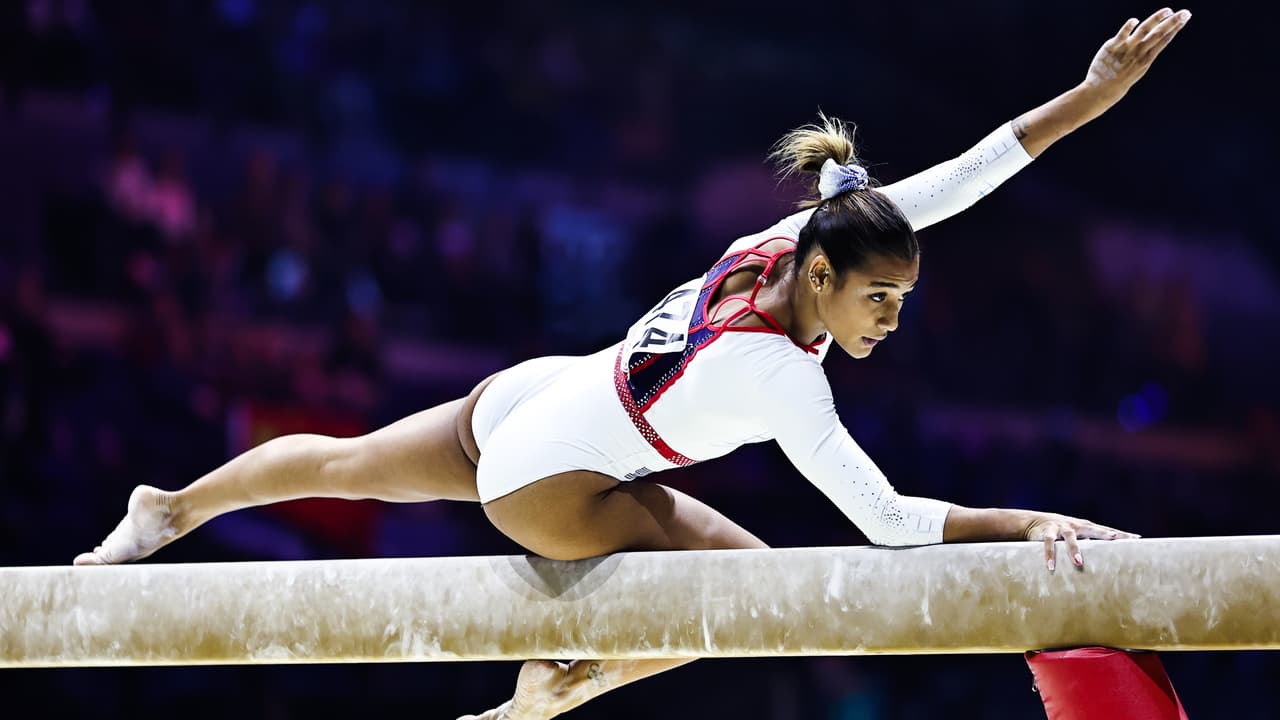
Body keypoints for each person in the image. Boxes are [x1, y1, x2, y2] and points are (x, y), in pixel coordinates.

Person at [75, 9, 1191, 720]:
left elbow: (965, 173)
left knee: (349, 460)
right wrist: (1029, 524)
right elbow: (888, 523)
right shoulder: (780, 376)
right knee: (753, 598)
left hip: (541, 395)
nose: (891, 319)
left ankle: (169, 509)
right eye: (879, 299)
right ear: (822, 281)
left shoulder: (803, 235)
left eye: (901, 297)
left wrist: (1091, 96)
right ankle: (559, 681)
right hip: (551, 482)